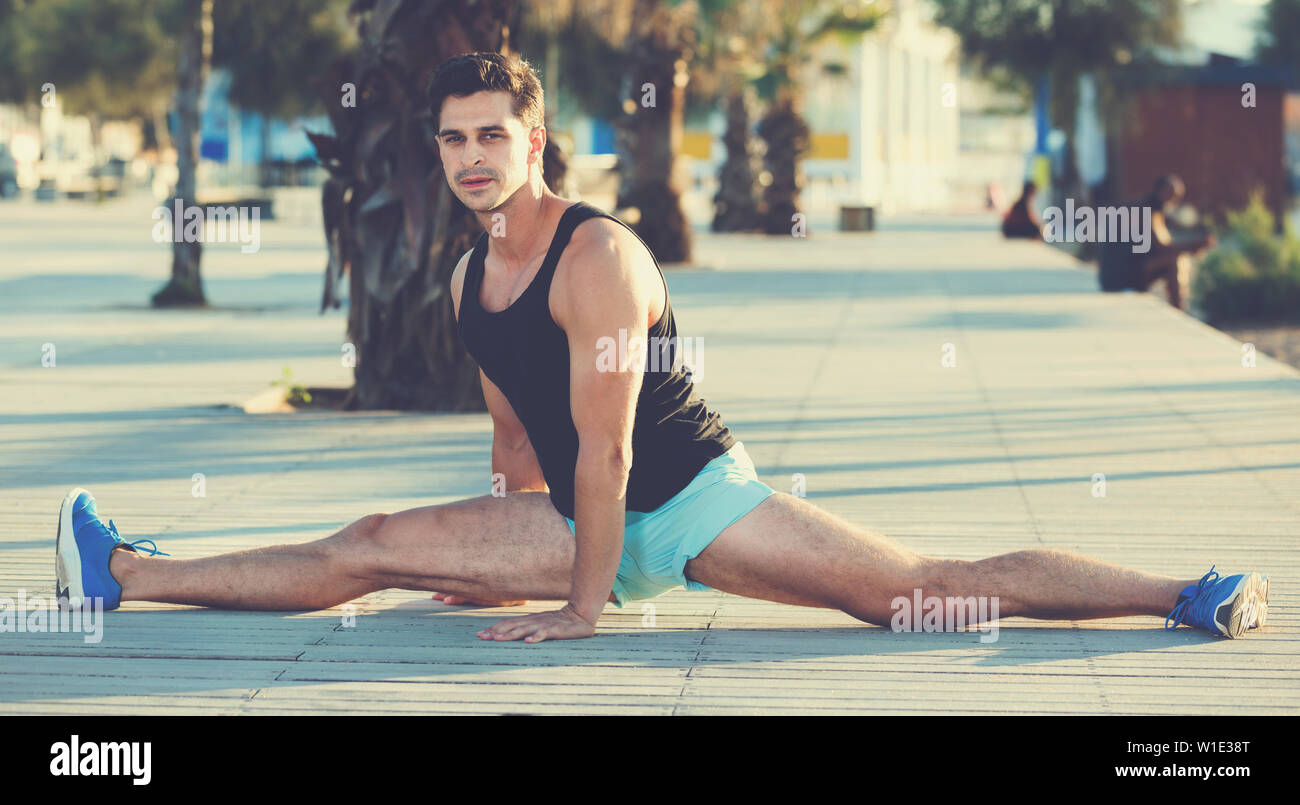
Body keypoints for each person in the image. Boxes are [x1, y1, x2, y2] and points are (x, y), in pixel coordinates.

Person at [54, 53, 1268, 643]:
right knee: (370, 544)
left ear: (536, 141)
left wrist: (583, 604)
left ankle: (1184, 593)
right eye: (451, 140)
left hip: (689, 499)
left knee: (912, 593)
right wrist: (491, 549)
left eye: (492, 135)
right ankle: (129, 575)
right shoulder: (474, 273)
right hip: (580, 515)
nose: (471, 156)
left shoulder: (601, 260)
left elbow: (615, 448)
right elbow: (518, 442)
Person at [1098, 175, 1216, 310]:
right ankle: (1179, 309)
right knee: (1172, 261)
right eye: (1171, 195)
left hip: (1124, 273)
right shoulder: (1145, 211)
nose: (1174, 201)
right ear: (1159, 191)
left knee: (1174, 258)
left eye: (1177, 197)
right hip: (1117, 278)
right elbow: (1163, 248)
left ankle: (1178, 306)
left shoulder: (1152, 209)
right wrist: (1195, 245)